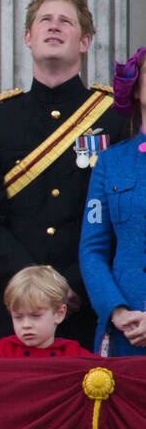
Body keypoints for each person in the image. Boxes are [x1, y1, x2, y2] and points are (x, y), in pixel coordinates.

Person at [0, 0, 126, 352]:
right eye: (45, 20)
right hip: (14, 306)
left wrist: (74, 286)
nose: (54, 27)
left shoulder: (114, 117)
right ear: (28, 37)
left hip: (86, 303)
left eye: (65, 22)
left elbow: (121, 216)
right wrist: (31, 286)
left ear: (84, 42)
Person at [79, 45, 146, 356]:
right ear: (135, 88)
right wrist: (115, 311)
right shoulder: (110, 162)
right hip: (124, 332)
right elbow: (92, 250)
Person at [0, 265, 91, 357]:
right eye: (18, 317)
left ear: (59, 313)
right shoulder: (0, 353)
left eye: (35, 316)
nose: (26, 325)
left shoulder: (74, 354)